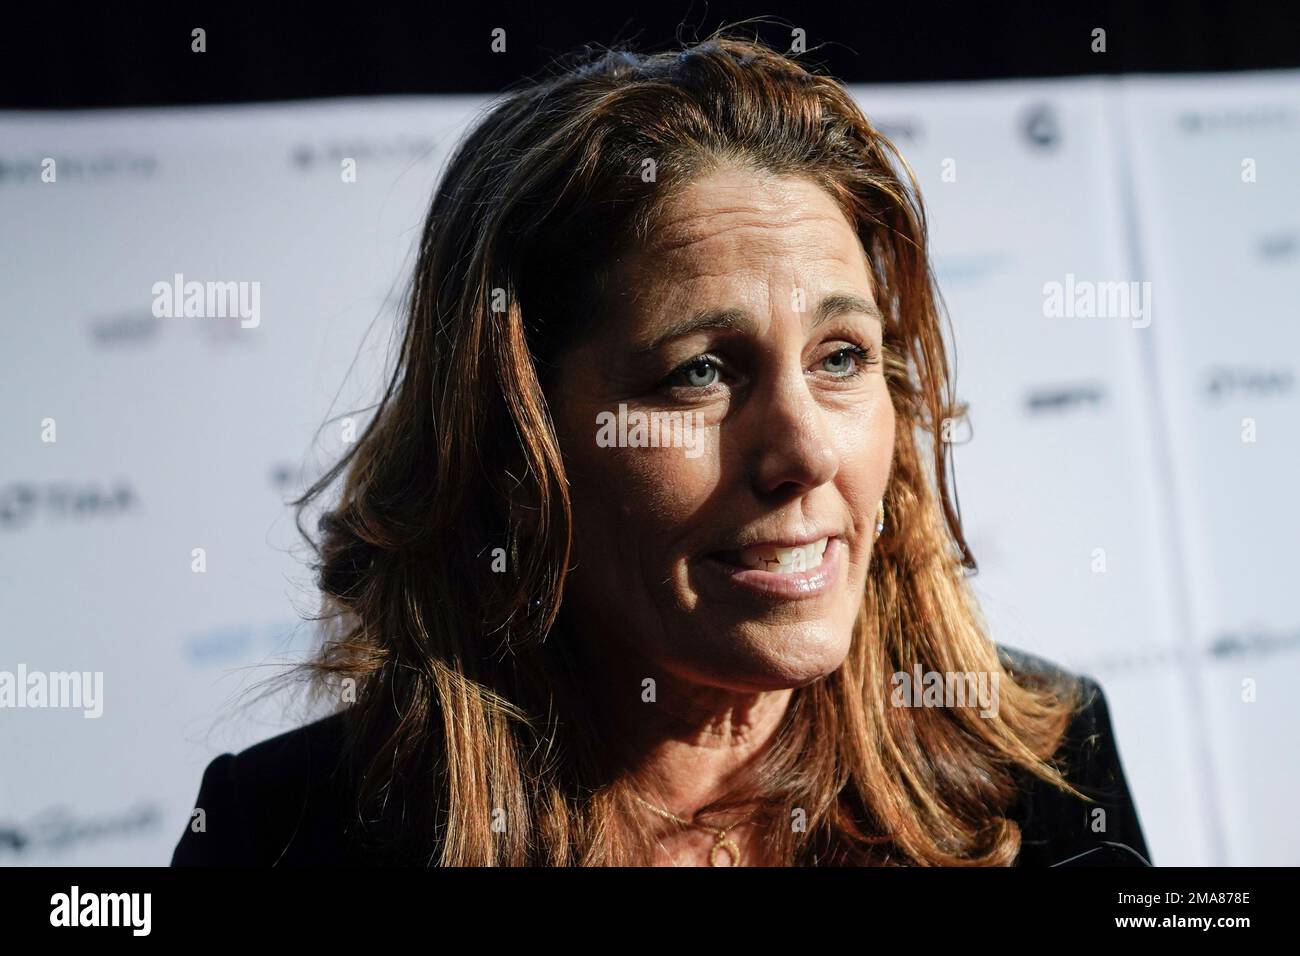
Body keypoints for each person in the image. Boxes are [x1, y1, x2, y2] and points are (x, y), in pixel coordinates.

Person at [172, 32, 1150, 867]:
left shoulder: (1041, 762)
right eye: (700, 373)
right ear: (517, 433)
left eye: (840, 355)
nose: (803, 449)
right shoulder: (284, 835)